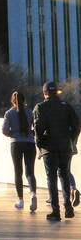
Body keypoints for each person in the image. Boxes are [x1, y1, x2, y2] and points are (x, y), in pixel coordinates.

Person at [33, 81, 80, 223]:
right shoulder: (66, 107)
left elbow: (38, 128)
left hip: (49, 148)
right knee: (64, 175)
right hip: (65, 147)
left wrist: (40, 146)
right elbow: (77, 125)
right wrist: (71, 140)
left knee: (51, 178)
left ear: (44, 93)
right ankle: (68, 206)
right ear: (57, 92)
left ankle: (55, 211)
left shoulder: (40, 107)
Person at [1, 90, 37, 211]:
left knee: (18, 172)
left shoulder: (9, 113)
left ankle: (20, 200)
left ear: (12, 101)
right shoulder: (30, 112)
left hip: (16, 144)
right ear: (24, 100)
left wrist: (13, 134)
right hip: (30, 143)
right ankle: (33, 194)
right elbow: (36, 128)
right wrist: (30, 133)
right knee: (30, 171)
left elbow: (5, 131)